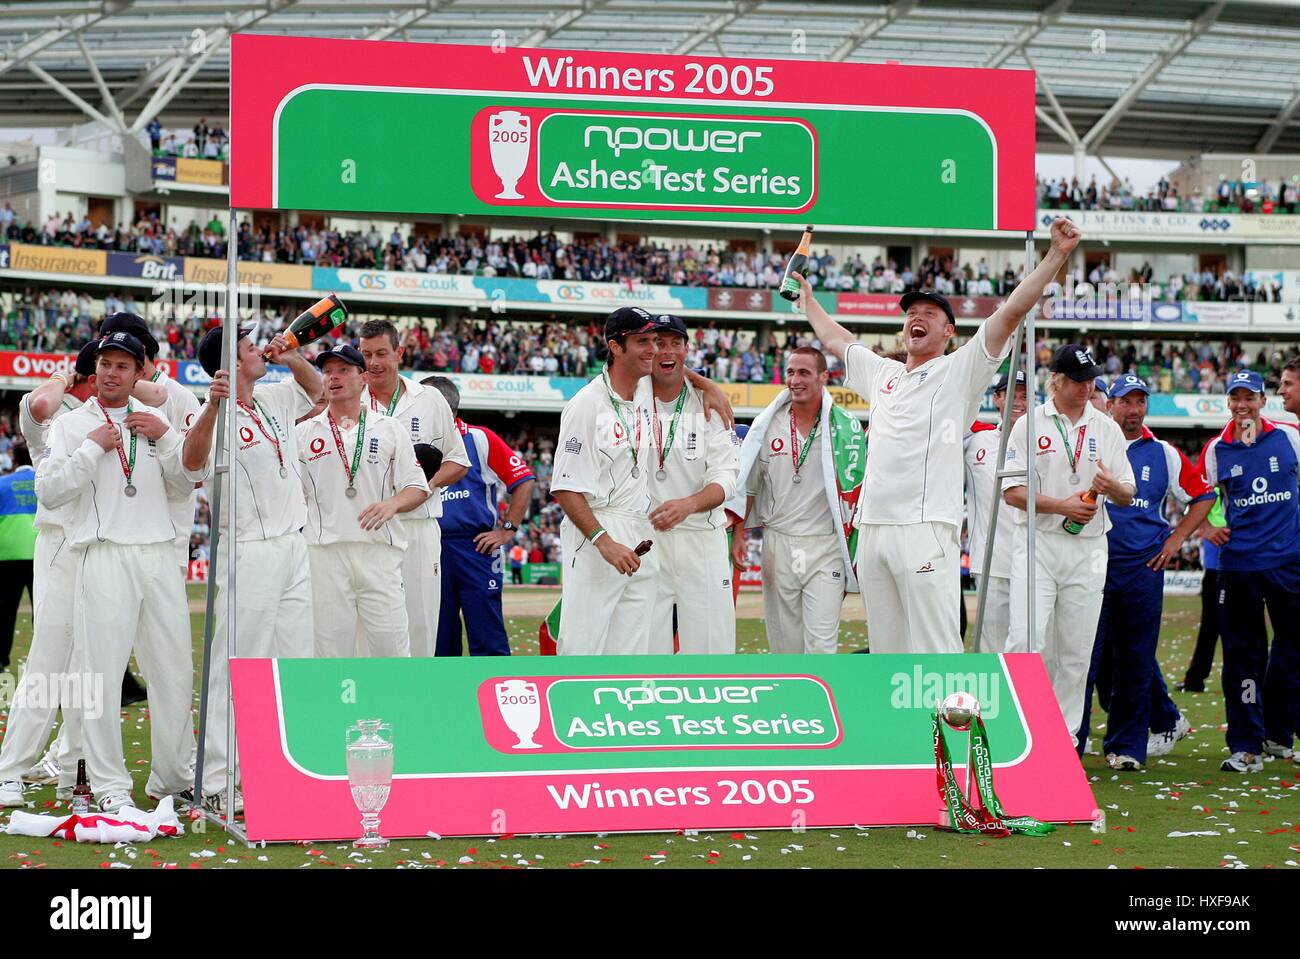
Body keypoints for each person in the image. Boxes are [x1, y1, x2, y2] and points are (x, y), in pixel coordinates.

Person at [796, 217, 1082, 653]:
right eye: (911, 313)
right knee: (886, 653)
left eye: (929, 314)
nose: (917, 318)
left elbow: (1011, 311)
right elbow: (837, 341)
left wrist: (1056, 256)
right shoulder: (883, 374)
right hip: (873, 527)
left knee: (935, 651)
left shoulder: (959, 369)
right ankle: (898, 725)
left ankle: (951, 724)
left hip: (926, 528)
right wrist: (808, 302)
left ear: (949, 331)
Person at [36, 332, 195, 814]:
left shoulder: (157, 418)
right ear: (94, 369)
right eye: (104, 364)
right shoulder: (71, 425)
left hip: (159, 555)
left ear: (138, 372)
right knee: (101, 676)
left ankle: (173, 778)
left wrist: (166, 437)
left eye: (122, 366)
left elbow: (187, 482)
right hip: (102, 554)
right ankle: (109, 783)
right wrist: (89, 450)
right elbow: (50, 492)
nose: (111, 373)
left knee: (174, 674)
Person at [181, 323, 324, 812]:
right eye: (249, 347)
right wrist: (212, 407)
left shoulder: (276, 398)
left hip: (292, 545)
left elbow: (319, 390)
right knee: (239, 661)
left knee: (292, 659)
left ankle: (280, 768)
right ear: (230, 362)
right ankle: (221, 779)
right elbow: (191, 466)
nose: (258, 349)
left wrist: (292, 356)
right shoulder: (212, 412)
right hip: (248, 548)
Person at [1002, 344, 1135, 747]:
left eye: (1090, 379)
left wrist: (1113, 487)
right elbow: (1011, 491)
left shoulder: (1106, 427)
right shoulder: (1029, 424)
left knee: (1076, 650)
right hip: (1037, 541)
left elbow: (1128, 491)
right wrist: (1063, 506)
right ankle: (1016, 731)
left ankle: (1061, 742)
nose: (1085, 387)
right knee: (1026, 641)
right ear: (1055, 380)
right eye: (1077, 380)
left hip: (1090, 548)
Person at [1080, 374, 1213, 770]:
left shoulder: (1164, 453)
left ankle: (1127, 749)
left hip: (1142, 570)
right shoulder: (1091, 444)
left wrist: (1175, 543)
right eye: (1126, 402)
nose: (1134, 410)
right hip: (1091, 566)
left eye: (1140, 402)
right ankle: (1073, 741)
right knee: (1085, 658)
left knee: (1136, 660)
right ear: (1110, 404)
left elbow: (1204, 496)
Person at [297, 344, 430, 658]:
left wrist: (392, 504)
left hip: (378, 554)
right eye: (327, 371)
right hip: (324, 554)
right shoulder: (304, 432)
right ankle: (333, 708)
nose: (333, 377)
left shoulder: (389, 429)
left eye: (343, 370)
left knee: (391, 649)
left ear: (363, 379)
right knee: (330, 652)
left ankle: (394, 708)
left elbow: (417, 488)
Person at [1199, 370, 1300, 772]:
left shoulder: (1290, 437)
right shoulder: (1215, 450)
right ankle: (1245, 746)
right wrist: (1206, 529)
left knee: (1292, 650)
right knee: (1242, 656)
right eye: (1235, 398)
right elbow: (1198, 499)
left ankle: (1279, 731)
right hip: (1238, 566)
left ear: (1262, 400)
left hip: (1288, 563)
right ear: (1227, 401)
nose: (1242, 405)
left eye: (1250, 398)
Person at [731, 347, 859, 654]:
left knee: (822, 644)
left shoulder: (842, 427)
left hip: (825, 544)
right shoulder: (768, 424)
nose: (795, 380)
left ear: (823, 377)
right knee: (784, 643)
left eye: (803, 372)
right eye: (790, 372)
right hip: (778, 543)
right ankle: (790, 702)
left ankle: (819, 703)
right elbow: (749, 486)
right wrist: (738, 534)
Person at [357, 320, 469, 658]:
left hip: (418, 526)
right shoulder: (351, 397)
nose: (373, 362)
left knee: (421, 623)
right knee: (368, 630)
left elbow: (458, 461)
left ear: (399, 353)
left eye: (381, 353)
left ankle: (417, 703)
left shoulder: (429, 398)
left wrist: (426, 485)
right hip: (367, 529)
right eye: (365, 355)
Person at [645, 314, 739, 654]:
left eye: (675, 343)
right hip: (648, 539)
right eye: (658, 343)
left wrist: (688, 505)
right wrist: (705, 381)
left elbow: (727, 480)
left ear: (687, 348)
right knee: (645, 650)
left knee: (712, 647)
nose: (666, 351)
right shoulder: (629, 399)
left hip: (702, 538)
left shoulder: (710, 406)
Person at [423, 376, 535, 657]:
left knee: (488, 637)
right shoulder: (413, 440)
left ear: (449, 409)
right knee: (437, 640)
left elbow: (523, 480)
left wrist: (507, 529)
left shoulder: (479, 438)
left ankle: (495, 694)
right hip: (430, 546)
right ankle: (445, 700)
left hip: (476, 547)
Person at [99, 312, 201, 575]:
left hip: (166, 538)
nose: (107, 366)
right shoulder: (105, 395)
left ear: (139, 349)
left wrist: (163, 442)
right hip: (114, 539)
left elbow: (197, 473)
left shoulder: (181, 398)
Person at [963, 369, 1027, 653]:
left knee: (1029, 645)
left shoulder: (1043, 443)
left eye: (1026, 396)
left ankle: (1024, 698)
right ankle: (990, 699)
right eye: (1012, 393)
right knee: (990, 646)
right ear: (997, 399)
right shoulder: (977, 440)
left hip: (1035, 563)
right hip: (990, 562)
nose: (1019, 401)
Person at [0, 445, 35, 676]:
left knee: (4, 610)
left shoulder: (2, 484)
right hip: (41, 554)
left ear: (13, 458)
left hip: (8, 554)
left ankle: (0, 659)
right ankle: (46, 660)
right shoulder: (45, 481)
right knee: (43, 612)